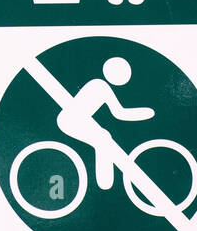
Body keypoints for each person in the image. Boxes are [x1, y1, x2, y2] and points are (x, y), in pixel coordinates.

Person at [55, 56, 154, 190]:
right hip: (70, 121)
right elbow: (119, 113)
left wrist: (144, 113)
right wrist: (145, 113)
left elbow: (119, 112)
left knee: (104, 136)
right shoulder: (99, 85)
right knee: (103, 137)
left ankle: (105, 184)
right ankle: (105, 185)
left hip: (75, 120)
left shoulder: (100, 85)